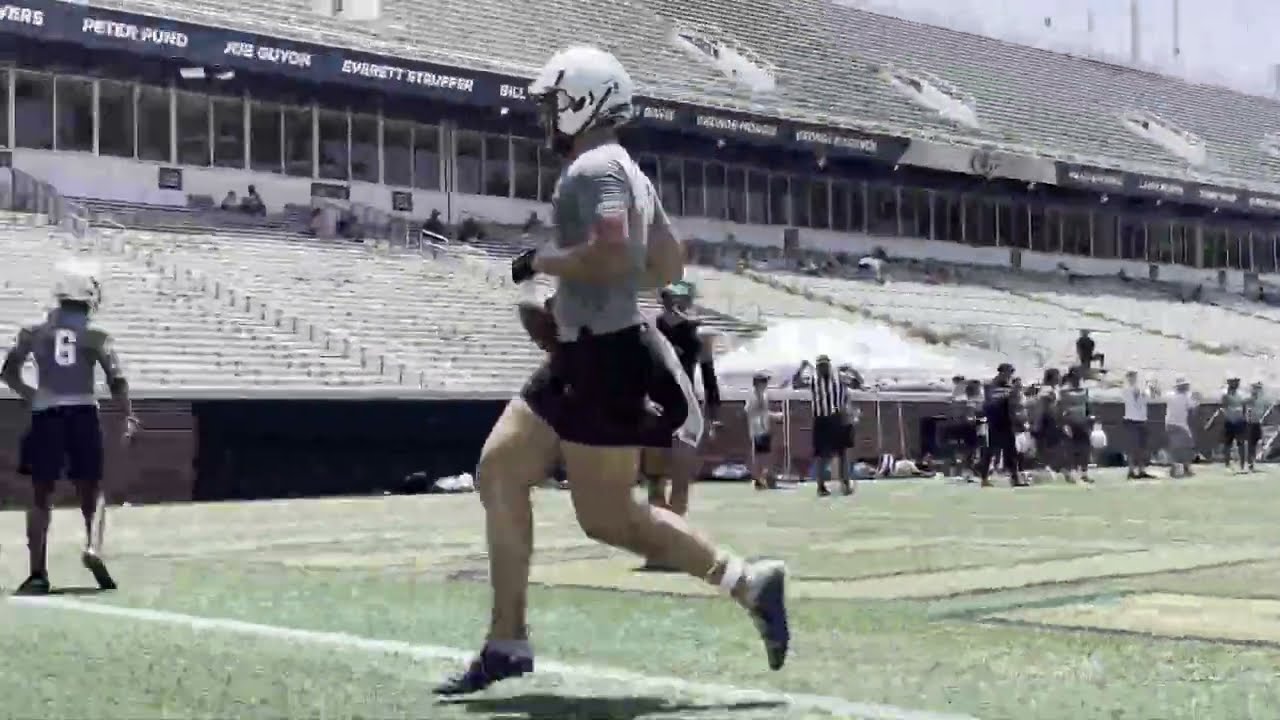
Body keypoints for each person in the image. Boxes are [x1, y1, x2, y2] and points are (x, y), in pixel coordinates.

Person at [434, 46, 788, 696]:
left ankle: (747, 581)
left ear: (582, 100)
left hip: (602, 358)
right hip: (587, 352)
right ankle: (506, 640)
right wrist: (585, 293)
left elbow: (615, 254)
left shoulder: (593, 168)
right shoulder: (627, 169)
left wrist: (543, 262)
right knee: (500, 469)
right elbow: (667, 262)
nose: (546, 116)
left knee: (609, 518)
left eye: (553, 103)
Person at [2, 264, 139, 594]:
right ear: (88, 298)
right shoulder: (95, 334)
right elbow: (117, 379)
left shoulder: (33, 332)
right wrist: (128, 415)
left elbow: (8, 373)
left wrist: (34, 395)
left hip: (46, 415)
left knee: (40, 496)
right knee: (92, 490)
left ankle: (37, 573)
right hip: (82, 413)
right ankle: (92, 547)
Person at [644, 280, 721, 517]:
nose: (678, 303)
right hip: (655, 408)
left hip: (685, 408)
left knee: (681, 480)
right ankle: (660, 530)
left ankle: (674, 528)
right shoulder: (649, 330)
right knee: (655, 481)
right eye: (671, 297)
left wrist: (712, 416)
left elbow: (709, 378)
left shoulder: (697, 334)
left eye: (683, 298)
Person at [792, 355, 853, 496]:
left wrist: (850, 369)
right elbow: (796, 384)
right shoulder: (813, 379)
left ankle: (845, 484)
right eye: (820, 366)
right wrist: (801, 368)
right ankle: (821, 486)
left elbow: (857, 382)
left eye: (825, 365)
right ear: (817, 368)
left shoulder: (839, 377)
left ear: (829, 366)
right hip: (821, 420)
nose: (823, 368)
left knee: (842, 453)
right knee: (821, 455)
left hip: (837, 418)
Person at [977, 364, 1025, 487]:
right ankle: (984, 478)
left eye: (1011, 373)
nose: (1009, 376)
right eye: (1008, 373)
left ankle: (1015, 478)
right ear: (1001, 372)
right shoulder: (990, 386)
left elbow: (1014, 404)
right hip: (994, 422)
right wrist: (1011, 394)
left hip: (1007, 422)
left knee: (1011, 451)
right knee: (990, 451)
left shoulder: (1009, 387)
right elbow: (990, 403)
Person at [746, 372, 783, 490]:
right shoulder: (754, 396)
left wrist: (772, 416)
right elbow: (750, 411)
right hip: (758, 429)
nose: (766, 384)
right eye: (764, 382)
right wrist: (774, 415)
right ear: (758, 383)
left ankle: (763, 479)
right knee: (761, 456)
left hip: (763, 428)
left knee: (764, 455)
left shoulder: (763, 395)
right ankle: (760, 479)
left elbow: (763, 412)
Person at [1057, 366, 1094, 484]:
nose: (1079, 377)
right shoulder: (1064, 390)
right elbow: (1060, 408)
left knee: (1085, 448)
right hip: (1071, 423)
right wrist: (1064, 424)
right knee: (1072, 449)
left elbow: (1087, 405)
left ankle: (1084, 473)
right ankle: (1072, 473)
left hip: (1083, 422)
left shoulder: (1084, 389)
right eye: (1077, 374)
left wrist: (1090, 416)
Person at [1206, 375, 1248, 471]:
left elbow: (1244, 407)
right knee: (1227, 444)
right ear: (1229, 383)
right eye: (1233, 382)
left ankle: (1242, 465)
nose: (1236, 383)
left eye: (1237, 381)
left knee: (1241, 443)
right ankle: (1227, 465)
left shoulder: (1241, 394)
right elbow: (1223, 407)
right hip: (1229, 421)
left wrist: (1244, 418)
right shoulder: (1225, 394)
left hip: (1239, 422)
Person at [1121, 370, 1157, 480]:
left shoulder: (1140, 389)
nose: (1133, 378)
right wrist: (1147, 387)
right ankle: (1131, 471)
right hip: (1131, 421)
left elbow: (1152, 397)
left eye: (1134, 376)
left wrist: (1151, 388)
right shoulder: (1127, 389)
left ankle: (1142, 471)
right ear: (1127, 377)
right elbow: (1137, 399)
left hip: (1142, 421)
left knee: (1142, 448)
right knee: (1133, 448)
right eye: (1130, 376)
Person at [1165, 377, 1197, 478]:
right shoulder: (1186, 397)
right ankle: (1185, 468)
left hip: (1169, 424)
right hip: (1180, 425)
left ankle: (1175, 469)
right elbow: (1193, 410)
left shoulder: (1170, 395)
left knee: (1175, 447)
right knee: (1187, 447)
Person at [1245, 381, 1273, 472]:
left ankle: (1253, 462)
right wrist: (1249, 420)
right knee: (1251, 445)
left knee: (1258, 443)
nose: (1258, 391)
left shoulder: (1261, 400)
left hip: (1258, 424)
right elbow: (1248, 412)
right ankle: (1250, 464)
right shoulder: (1250, 400)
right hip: (1251, 424)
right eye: (1256, 389)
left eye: (1259, 389)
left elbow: (1265, 408)